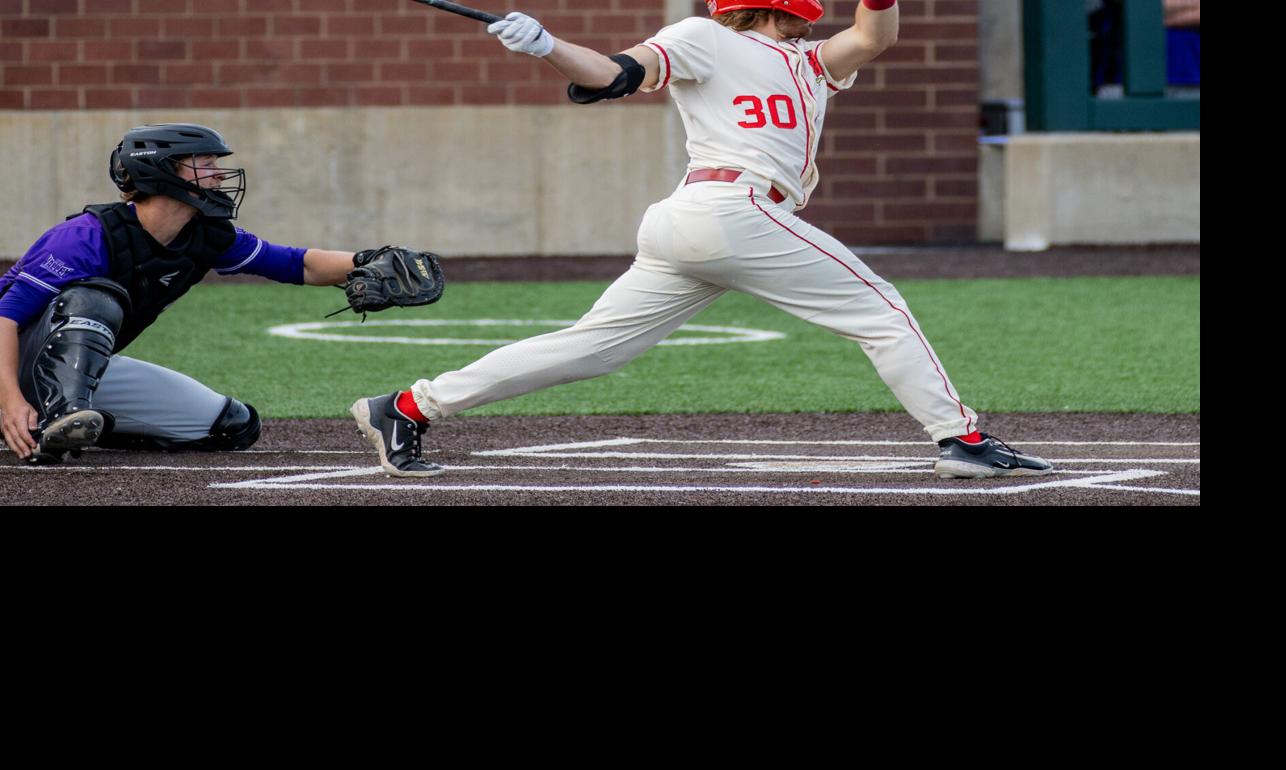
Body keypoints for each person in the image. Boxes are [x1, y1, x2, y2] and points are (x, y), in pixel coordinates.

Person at [350, 0, 1053, 479]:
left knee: (591, 348)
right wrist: (549, 47)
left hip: (705, 221)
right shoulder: (703, 37)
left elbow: (873, 36)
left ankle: (408, 406)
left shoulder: (809, 63)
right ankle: (958, 438)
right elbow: (617, 75)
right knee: (881, 310)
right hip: (728, 206)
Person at [0, 123, 398, 465]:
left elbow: (298, 264)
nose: (219, 174)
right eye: (204, 164)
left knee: (232, 426)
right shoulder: (85, 237)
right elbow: (6, 317)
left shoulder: (205, 235)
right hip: (11, 367)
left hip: (66, 371)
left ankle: (74, 424)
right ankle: (53, 417)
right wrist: (12, 400)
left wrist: (371, 262)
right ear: (160, 171)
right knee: (94, 299)